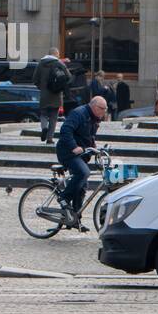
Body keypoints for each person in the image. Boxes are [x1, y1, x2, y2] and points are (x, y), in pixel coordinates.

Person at [55, 94, 108, 229]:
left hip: (82, 154)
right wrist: (74, 147)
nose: (104, 112)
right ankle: (64, 198)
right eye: (103, 109)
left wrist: (95, 147)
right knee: (84, 173)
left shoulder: (95, 118)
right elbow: (65, 130)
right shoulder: (79, 113)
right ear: (95, 107)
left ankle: (74, 219)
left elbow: (89, 135)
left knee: (82, 187)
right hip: (67, 152)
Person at [32, 48, 71, 144]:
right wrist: (61, 86)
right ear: (56, 54)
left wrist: (41, 87)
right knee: (54, 117)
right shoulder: (60, 64)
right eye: (58, 54)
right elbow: (69, 77)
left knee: (44, 114)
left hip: (44, 95)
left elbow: (35, 79)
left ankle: (44, 128)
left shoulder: (40, 64)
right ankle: (49, 138)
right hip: (57, 95)